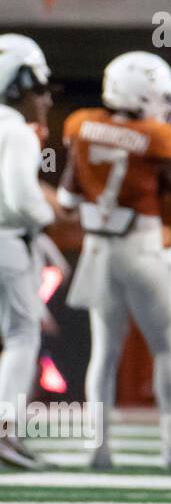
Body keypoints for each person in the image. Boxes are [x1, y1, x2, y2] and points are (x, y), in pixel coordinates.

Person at [59, 51, 171, 469]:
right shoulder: (157, 136)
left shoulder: (81, 124)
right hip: (141, 246)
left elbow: (67, 199)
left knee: (104, 353)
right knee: (166, 350)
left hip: (98, 250)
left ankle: (96, 448)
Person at [0, 34, 55, 469]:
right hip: (8, 242)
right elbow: (22, 197)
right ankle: (5, 427)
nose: (44, 98)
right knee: (22, 334)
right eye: (38, 87)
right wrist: (46, 213)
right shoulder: (16, 131)